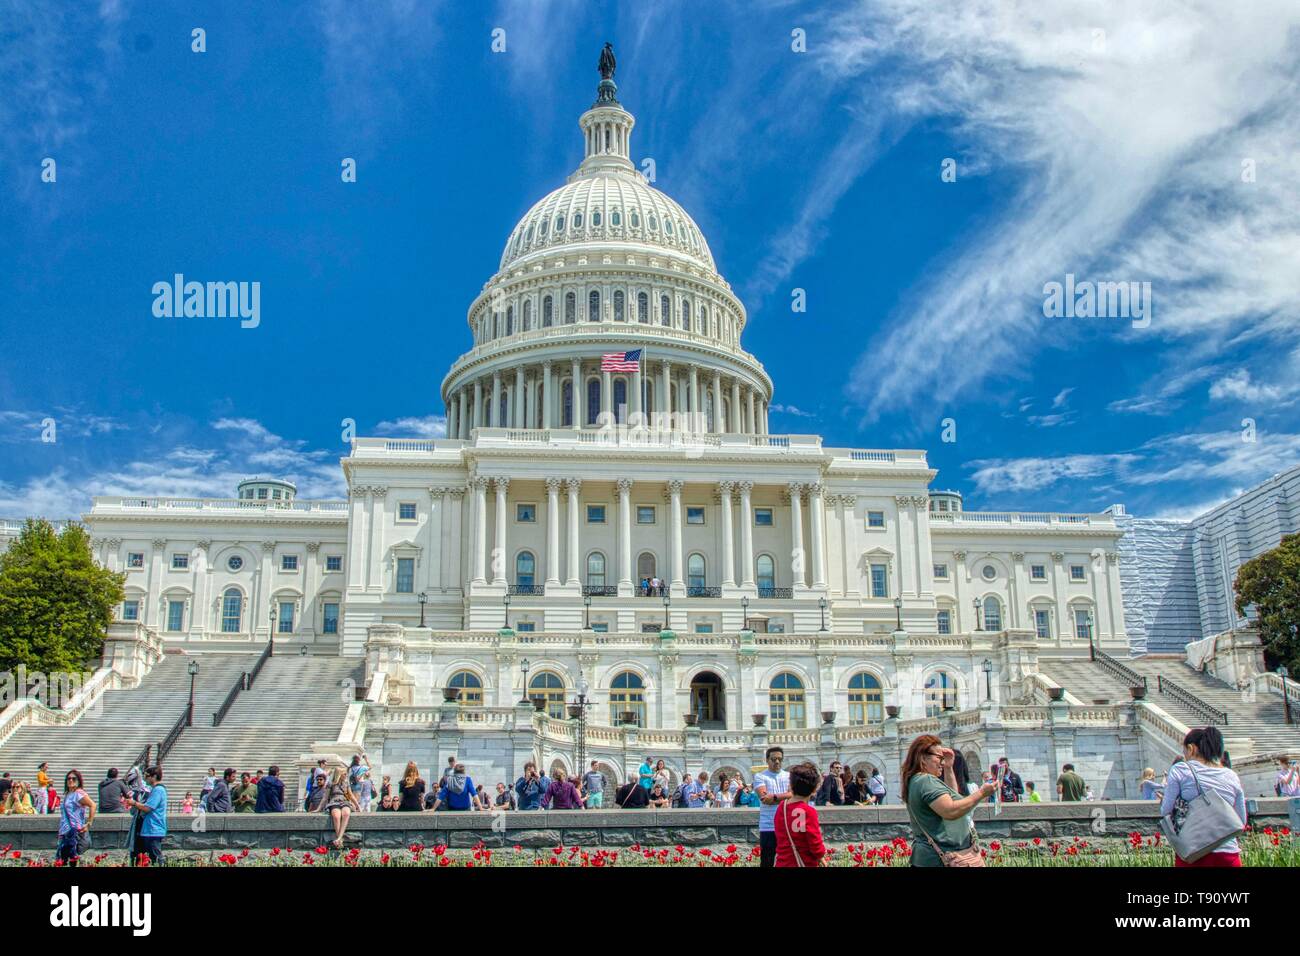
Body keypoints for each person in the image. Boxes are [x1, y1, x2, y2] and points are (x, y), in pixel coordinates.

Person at [902, 735, 997, 867]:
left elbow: (953, 797)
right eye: (939, 758)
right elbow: (951, 810)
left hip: (944, 857)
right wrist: (981, 793)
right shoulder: (925, 781)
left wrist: (949, 767)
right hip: (939, 859)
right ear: (923, 758)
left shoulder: (918, 780)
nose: (942, 762)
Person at [1160, 726, 1247, 867]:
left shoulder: (1181, 769)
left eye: (1185, 752)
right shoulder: (1231, 775)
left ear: (1191, 748)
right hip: (1228, 853)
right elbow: (1241, 820)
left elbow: (1165, 811)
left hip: (1194, 852)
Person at [774, 761, 827, 868]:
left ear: (792, 785)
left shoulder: (782, 807)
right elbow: (814, 842)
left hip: (782, 861)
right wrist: (821, 856)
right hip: (803, 862)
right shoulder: (808, 811)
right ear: (814, 789)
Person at [754, 745, 792, 868]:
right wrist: (786, 796)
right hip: (768, 826)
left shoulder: (788, 776)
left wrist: (774, 797)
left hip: (786, 824)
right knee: (767, 862)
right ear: (767, 760)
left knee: (787, 861)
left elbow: (793, 795)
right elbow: (764, 798)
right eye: (773, 759)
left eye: (780, 759)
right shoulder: (760, 776)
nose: (777, 762)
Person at [123, 766, 167, 866]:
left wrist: (134, 803)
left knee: (155, 858)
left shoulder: (158, 790)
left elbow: (148, 808)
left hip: (154, 828)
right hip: (148, 829)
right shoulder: (153, 789)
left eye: (147, 776)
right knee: (146, 858)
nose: (144, 778)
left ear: (154, 776)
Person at [55, 770, 95, 865]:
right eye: (69, 778)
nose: (71, 780)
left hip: (73, 831)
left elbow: (93, 805)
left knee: (68, 860)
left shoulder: (79, 794)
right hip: (65, 832)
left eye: (74, 778)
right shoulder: (68, 794)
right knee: (62, 860)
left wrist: (89, 823)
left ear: (79, 780)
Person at [321, 766, 360, 847]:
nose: (346, 775)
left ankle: (339, 838)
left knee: (346, 813)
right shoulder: (331, 783)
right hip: (334, 802)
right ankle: (340, 839)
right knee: (336, 816)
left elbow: (351, 795)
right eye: (344, 774)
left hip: (344, 801)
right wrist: (318, 809)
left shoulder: (346, 783)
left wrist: (358, 806)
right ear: (339, 774)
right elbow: (325, 797)